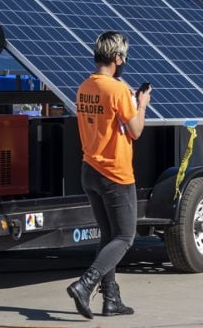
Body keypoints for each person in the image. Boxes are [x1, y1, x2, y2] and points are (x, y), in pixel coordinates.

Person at [67, 31, 151, 319]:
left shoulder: (84, 87)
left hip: (89, 170)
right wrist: (141, 105)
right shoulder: (116, 91)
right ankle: (85, 283)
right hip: (115, 173)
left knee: (108, 236)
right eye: (123, 57)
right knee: (125, 237)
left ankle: (111, 299)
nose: (124, 61)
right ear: (117, 58)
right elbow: (136, 130)